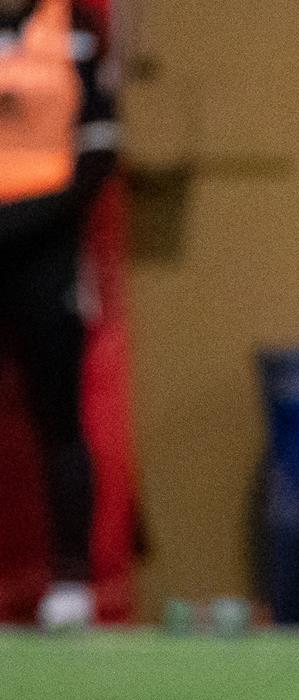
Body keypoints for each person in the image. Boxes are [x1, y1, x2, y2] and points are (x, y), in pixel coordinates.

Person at [0, 0, 117, 629]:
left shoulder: (71, 31)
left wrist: (26, 221)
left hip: (45, 250)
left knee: (59, 415)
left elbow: (99, 148)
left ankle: (72, 579)